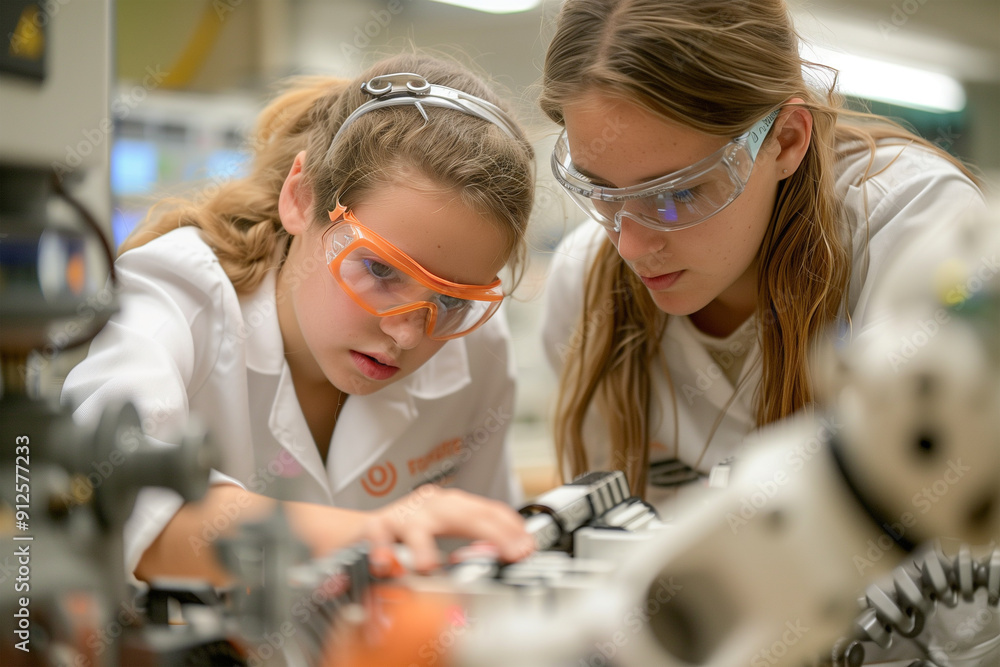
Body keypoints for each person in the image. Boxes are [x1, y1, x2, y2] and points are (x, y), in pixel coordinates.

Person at [61, 53, 538, 586]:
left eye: (451, 301)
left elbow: (481, 553)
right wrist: (371, 534)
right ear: (301, 197)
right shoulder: (179, 294)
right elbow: (121, 505)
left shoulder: (472, 345)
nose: (407, 332)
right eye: (381, 269)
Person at [538, 0, 987, 507]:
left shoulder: (910, 227)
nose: (629, 245)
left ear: (786, 139)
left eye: (676, 194)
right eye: (601, 190)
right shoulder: (584, 282)